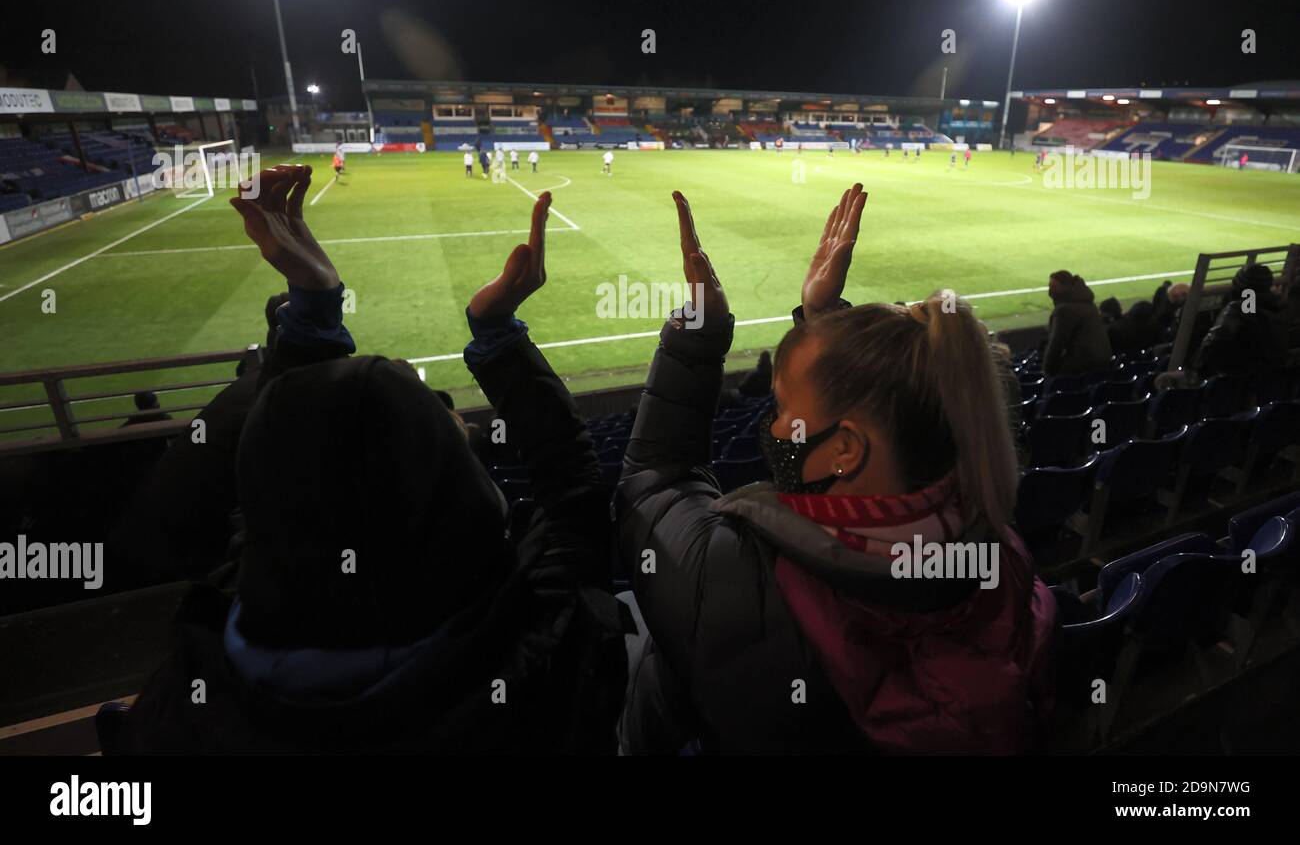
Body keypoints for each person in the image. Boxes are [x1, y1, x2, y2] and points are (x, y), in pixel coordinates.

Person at [113, 166, 627, 754]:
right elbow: (574, 490)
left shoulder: (181, 706)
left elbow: (280, 467)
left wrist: (311, 312)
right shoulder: (541, 646)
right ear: (462, 497)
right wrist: (497, 334)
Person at [615, 183, 1058, 754]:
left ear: (845, 450)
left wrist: (696, 338)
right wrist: (827, 326)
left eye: (783, 408)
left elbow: (654, 476)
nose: (773, 428)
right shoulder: (997, 547)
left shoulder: (737, 582)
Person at [1193, 264, 1287, 378]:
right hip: (1267, 381)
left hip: (1231, 383)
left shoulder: (1236, 313)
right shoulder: (1281, 308)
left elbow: (1205, 357)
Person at [1042, 271, 1112, 376]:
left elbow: (1055, 346)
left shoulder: (1064, 310)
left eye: (1053, 287)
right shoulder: (1090, 305)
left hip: (1082, 368)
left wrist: (1047, 372)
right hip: (1103, 364)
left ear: (1063, 286)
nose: (1050, 292)